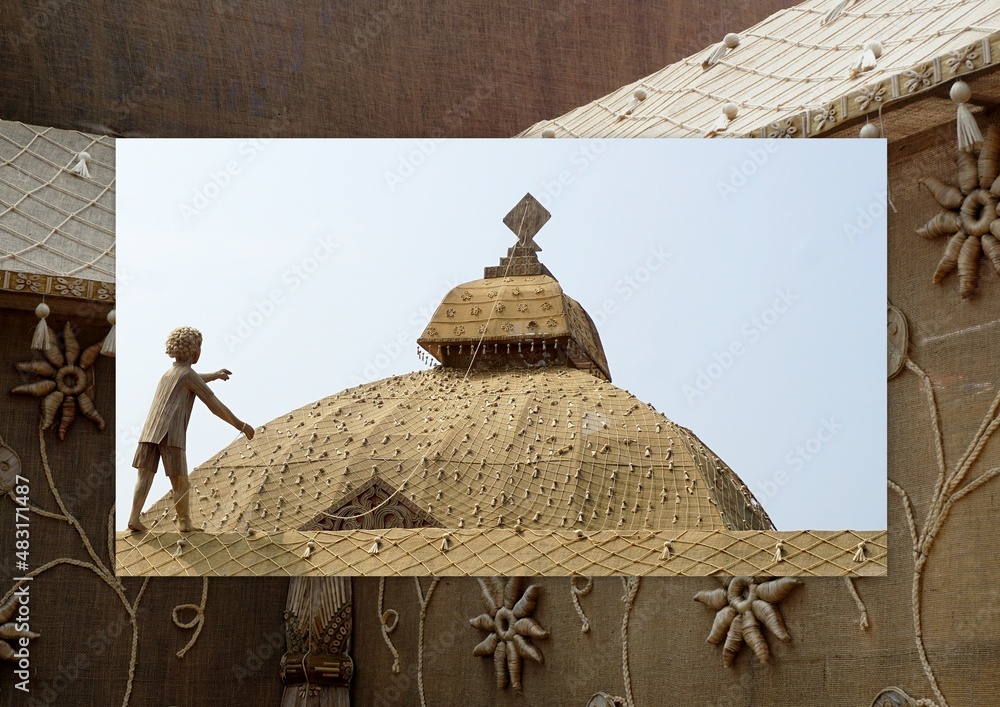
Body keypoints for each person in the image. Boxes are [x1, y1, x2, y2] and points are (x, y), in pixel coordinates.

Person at [127, 326, 254, 533]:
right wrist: (240, 424)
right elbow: (214, 405)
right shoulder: (187, 375)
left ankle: (134, 517)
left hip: (149, 432)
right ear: (195, 351)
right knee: (180, 481)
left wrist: (213, 375)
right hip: (171, 433)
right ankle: (184, 522)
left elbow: (191, 378)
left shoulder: (169, 373)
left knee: (144, 476)